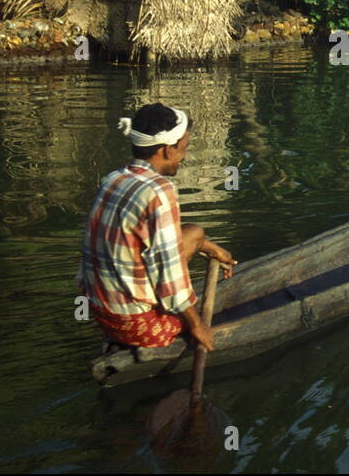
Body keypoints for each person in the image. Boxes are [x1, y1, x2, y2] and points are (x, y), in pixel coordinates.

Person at [77, 103, 237, 353]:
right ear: (166, 149)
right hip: (137, 324)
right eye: (183, 149)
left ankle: (204, 248)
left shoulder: (114, 178)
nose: (184, 156)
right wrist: (196, 325)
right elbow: (168, 273)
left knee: (194, 232)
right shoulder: (159, 191)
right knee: (192, 307)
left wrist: (209, 248)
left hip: (100, 311)